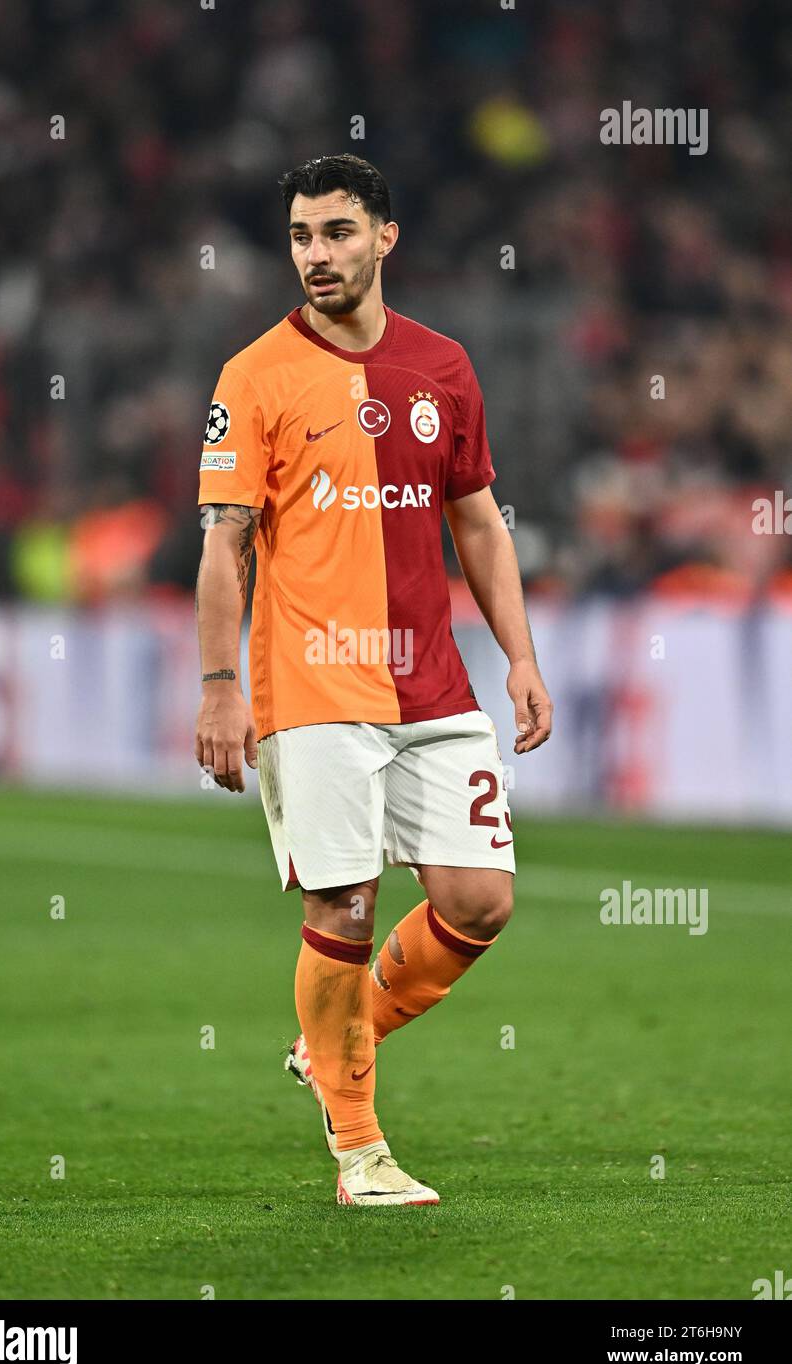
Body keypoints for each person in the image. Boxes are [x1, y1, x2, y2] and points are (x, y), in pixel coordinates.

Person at [194, 154, 553, 1207]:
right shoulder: (252, 375)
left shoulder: (442, 365)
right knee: (342, 906)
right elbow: (223, 544)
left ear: (384, 237)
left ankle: (326, 1043)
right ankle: (361, 1153)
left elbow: (476, 520)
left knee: (478, 901)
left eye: (337, 233)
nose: (316, 255)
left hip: (434, 688)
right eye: (302, 236)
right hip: (312, 686)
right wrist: (223, 685)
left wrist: (520, 657)